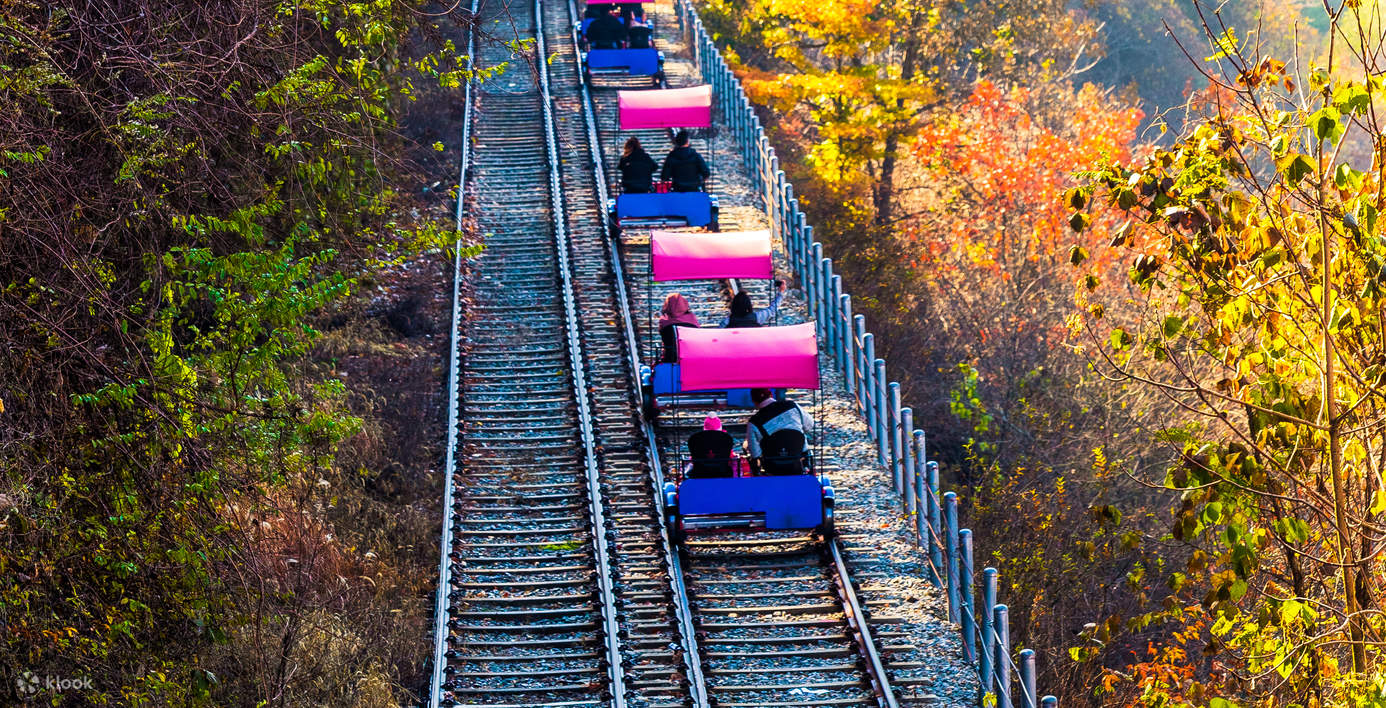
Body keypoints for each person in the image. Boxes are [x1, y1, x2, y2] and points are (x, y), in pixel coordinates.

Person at [745, 389, 813, 475]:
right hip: (799, 460)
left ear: (754, 401)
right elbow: (810, 425)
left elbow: (755, 453)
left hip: (772, 468)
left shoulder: (754, 422)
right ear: (771, 395)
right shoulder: (792, 406)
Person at [720, 281, 785, 328]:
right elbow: (772, 310)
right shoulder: (757, 317)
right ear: (749, 305)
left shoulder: (726, 322)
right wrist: (781, 292)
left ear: (733, 306)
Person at [657, 292, 698, 363]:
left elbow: (663, 337)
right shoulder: (692, 319)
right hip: (691, 357)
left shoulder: (664, 320)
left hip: (670, 358)